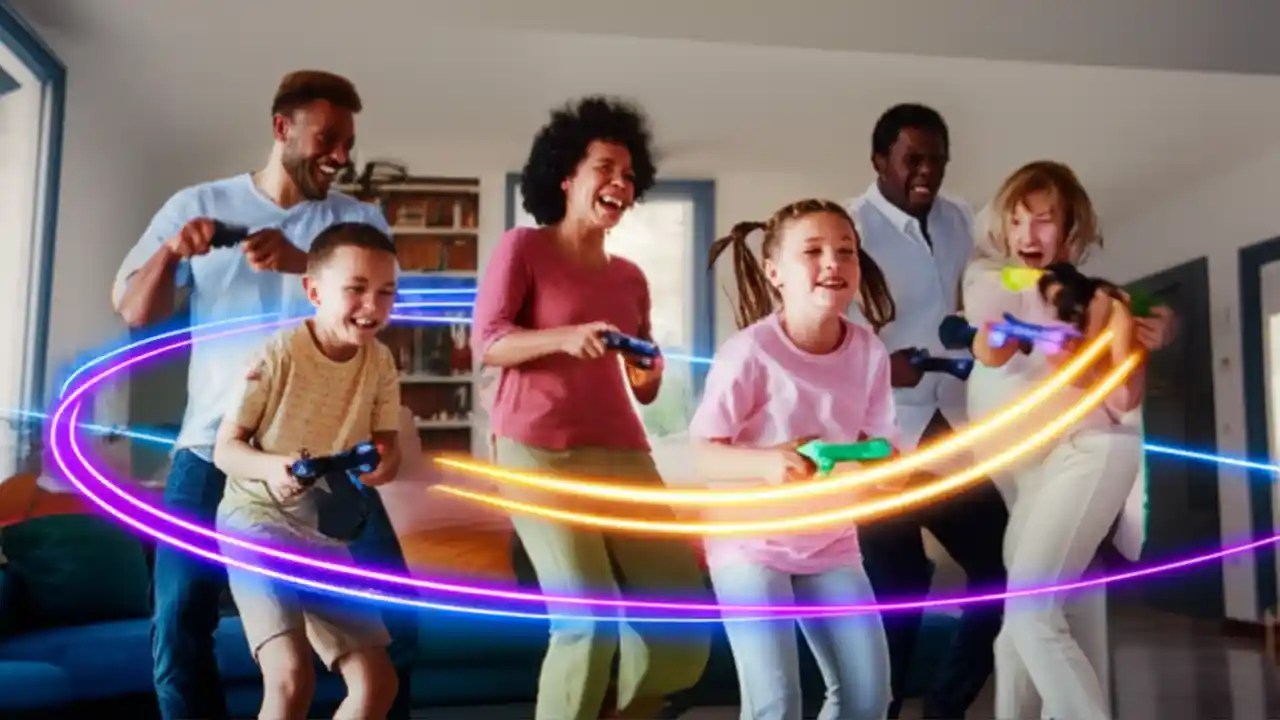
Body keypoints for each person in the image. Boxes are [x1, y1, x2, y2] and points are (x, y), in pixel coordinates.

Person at [111, 70, 415, 720]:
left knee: (399, 618)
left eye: (348, 142)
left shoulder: (357, 219)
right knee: (178, 615)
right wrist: (172, 252)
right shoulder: (199, 202)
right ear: (282, 129)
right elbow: (135, 310)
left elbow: (391, 308)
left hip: (329, 455)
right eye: (326, 138)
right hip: (218, 446)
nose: (340, 156)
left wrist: (304, 260)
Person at [471, 96, 711, 720]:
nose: (621, 184)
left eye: (630, 176)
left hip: (623, 451)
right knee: (590, 622)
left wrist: (649, 371)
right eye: (606, 167)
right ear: (567, 177)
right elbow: (488, 343)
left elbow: (645, 388)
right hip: (536, 450)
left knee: (682, 623)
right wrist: (562, 337)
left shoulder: (630, 277)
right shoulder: (523, 247)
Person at [688, 198, 897, 720]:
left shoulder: (869, 351)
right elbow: (702, 454)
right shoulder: (750, 352)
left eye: (845, 251)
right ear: (774, 272)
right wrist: (767, 463)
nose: (834, 262)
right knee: (776, 707)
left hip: (830, 541)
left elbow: (879, 445)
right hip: (750, 544)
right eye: (814, 251)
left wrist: (876, 468)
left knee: (867, 701)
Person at [962, 160, 1147, 720]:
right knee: (1013, 635)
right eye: (1017, 221)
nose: (1027, 235)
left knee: (1031, 617)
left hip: (1090, 453)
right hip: (1035, 474)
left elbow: (1124, 399)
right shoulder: (1001, 285)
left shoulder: (1105, 302)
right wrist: (1014, 324)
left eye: (1043, 221)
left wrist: (1084, 361)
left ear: (1070, 231)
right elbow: (987, 350)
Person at [845, 103, 1007, 719]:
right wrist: (882, 369)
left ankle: (945, 708)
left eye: (937, 160)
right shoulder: (850, 229)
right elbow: (826, 337)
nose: (927, 172)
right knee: (901, 585)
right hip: (874, 435)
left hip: (944, 428)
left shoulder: (962, 219)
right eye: (913, 158)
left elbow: (1006, 273)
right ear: (880, 160)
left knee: (1002, 565)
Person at [213, 222, 402, 720]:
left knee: (376, 684)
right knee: (291, 677)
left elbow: (389, 448)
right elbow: (225, 451)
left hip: (322, 531)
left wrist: (381, 465)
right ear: (313, 291)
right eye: (356, 290)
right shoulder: (274, 356)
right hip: (256, 520)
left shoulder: (380, 362)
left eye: (386, 293)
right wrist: (275, 467)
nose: (373, 306)